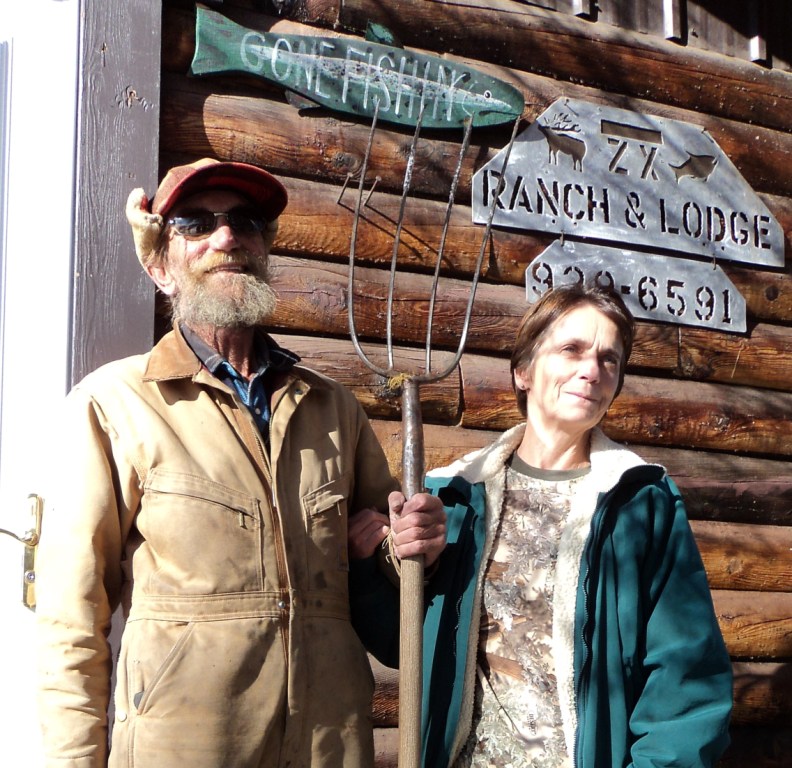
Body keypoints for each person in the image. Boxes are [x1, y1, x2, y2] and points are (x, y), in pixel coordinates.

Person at [35, 157, 446, 768]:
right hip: (185, 747)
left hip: (327, 744)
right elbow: (71, 617)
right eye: (196, 224)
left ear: (264, 250)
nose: (227, 237)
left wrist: (409, 545)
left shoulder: (332, 408)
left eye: (246, 222)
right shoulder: (115, 405)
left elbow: (389, 579)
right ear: (159, 266)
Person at [351, 284, 732, 767]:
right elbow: (408, 648)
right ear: (523, 371)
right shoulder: (457, 497)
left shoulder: (637, 500)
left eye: (609, 359)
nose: (591, 370)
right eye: (571, 349)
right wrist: (372, 572)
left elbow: (687, 678)